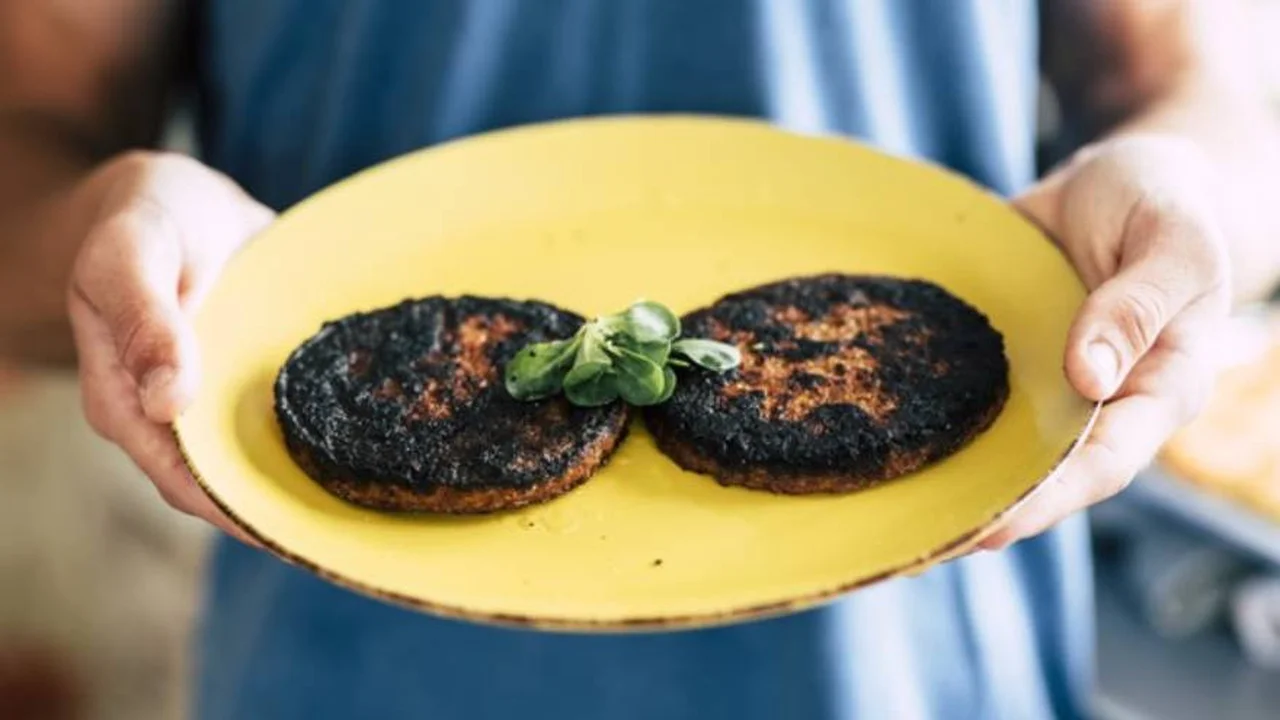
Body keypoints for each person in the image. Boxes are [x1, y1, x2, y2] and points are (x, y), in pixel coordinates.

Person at [2, 1, 1277, 718]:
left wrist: (1184, 201)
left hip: (923, 666)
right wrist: (110, 227)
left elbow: (1205, 97)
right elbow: (25, 159)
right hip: (350, 672)